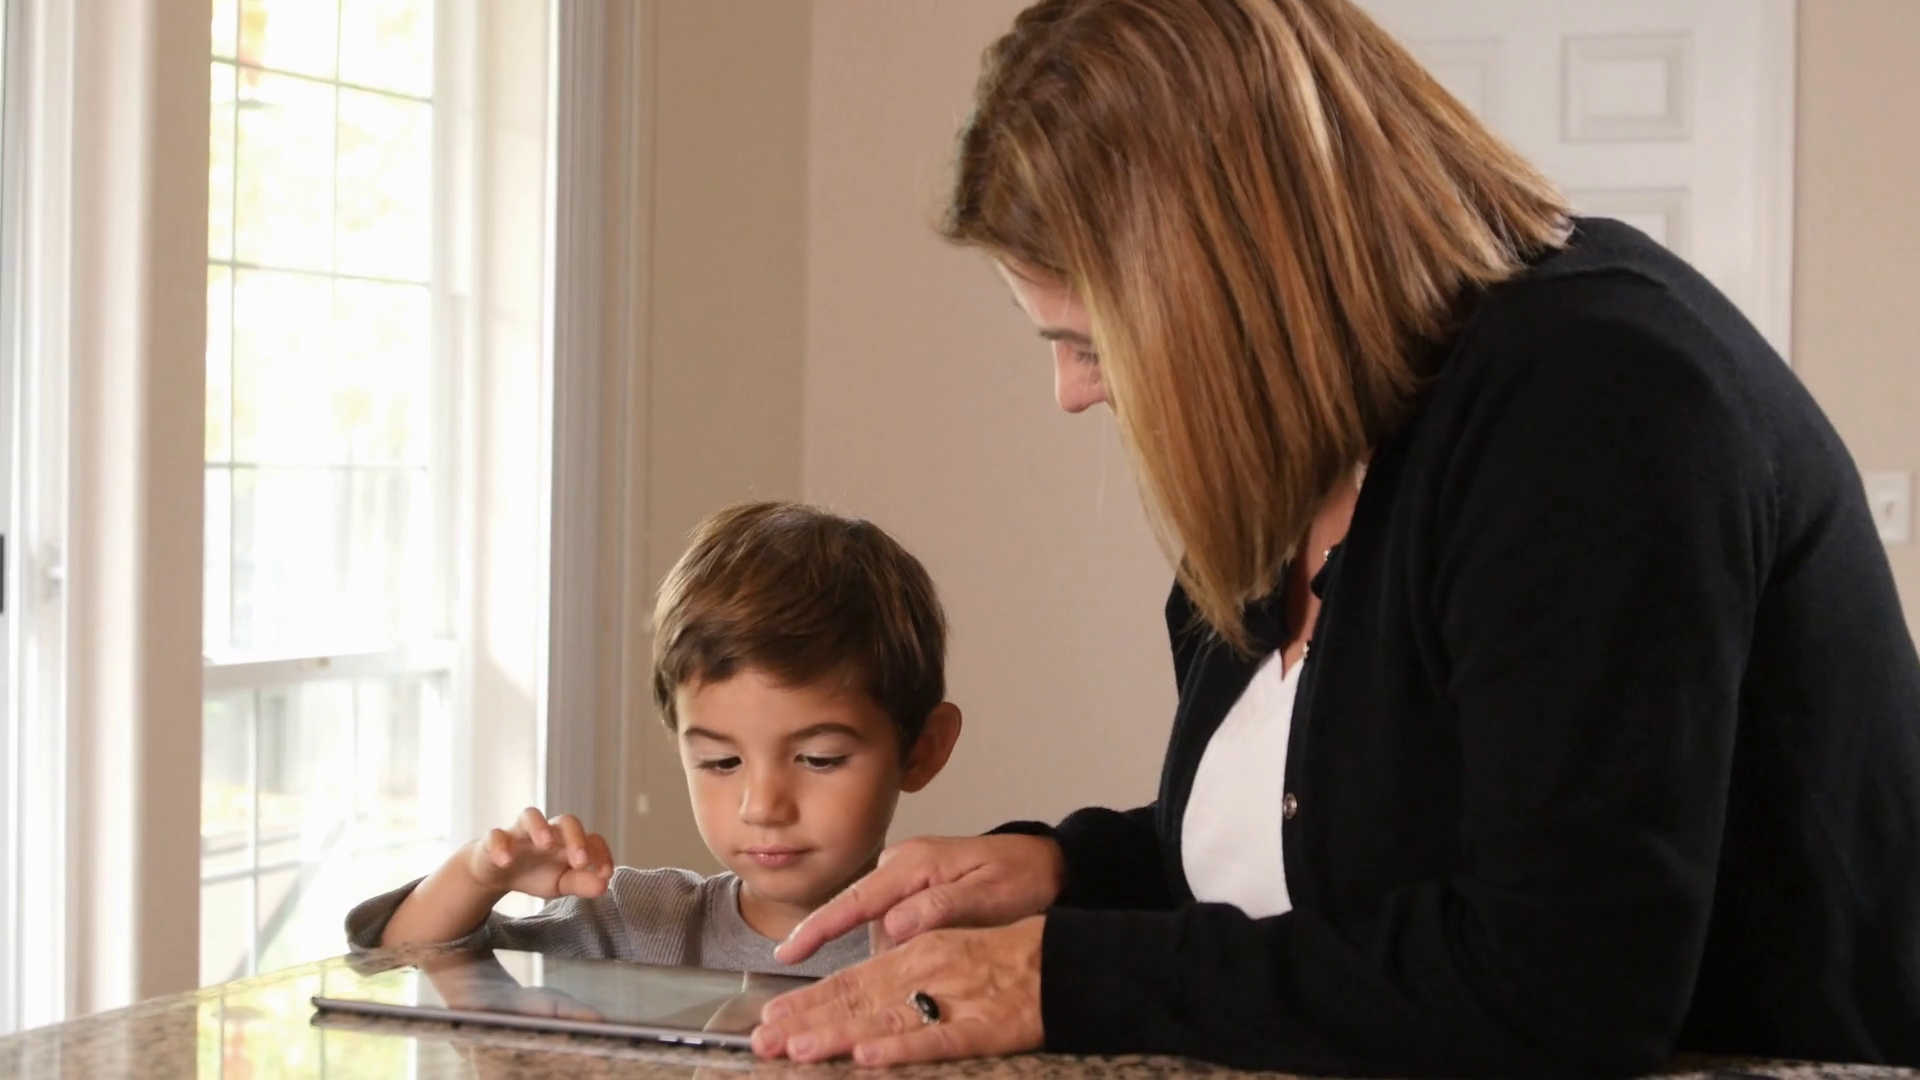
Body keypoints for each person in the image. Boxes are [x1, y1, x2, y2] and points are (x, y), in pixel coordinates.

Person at [749, 0, 1920, 1073]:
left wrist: (1064, 974)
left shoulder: (1597, 402)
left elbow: (1565, 986)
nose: (1071, 393)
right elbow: (1363, 847)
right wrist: (1074, 870)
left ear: (1236, 279)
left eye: (1095, 342)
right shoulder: (1305, 451)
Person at [345, 500, 963, 978]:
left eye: (819, 759)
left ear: (922, 749)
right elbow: (397, 968)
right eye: (720, 761)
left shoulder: (968, 947)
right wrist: (480, 875)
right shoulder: (636, 923)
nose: (763, 807)